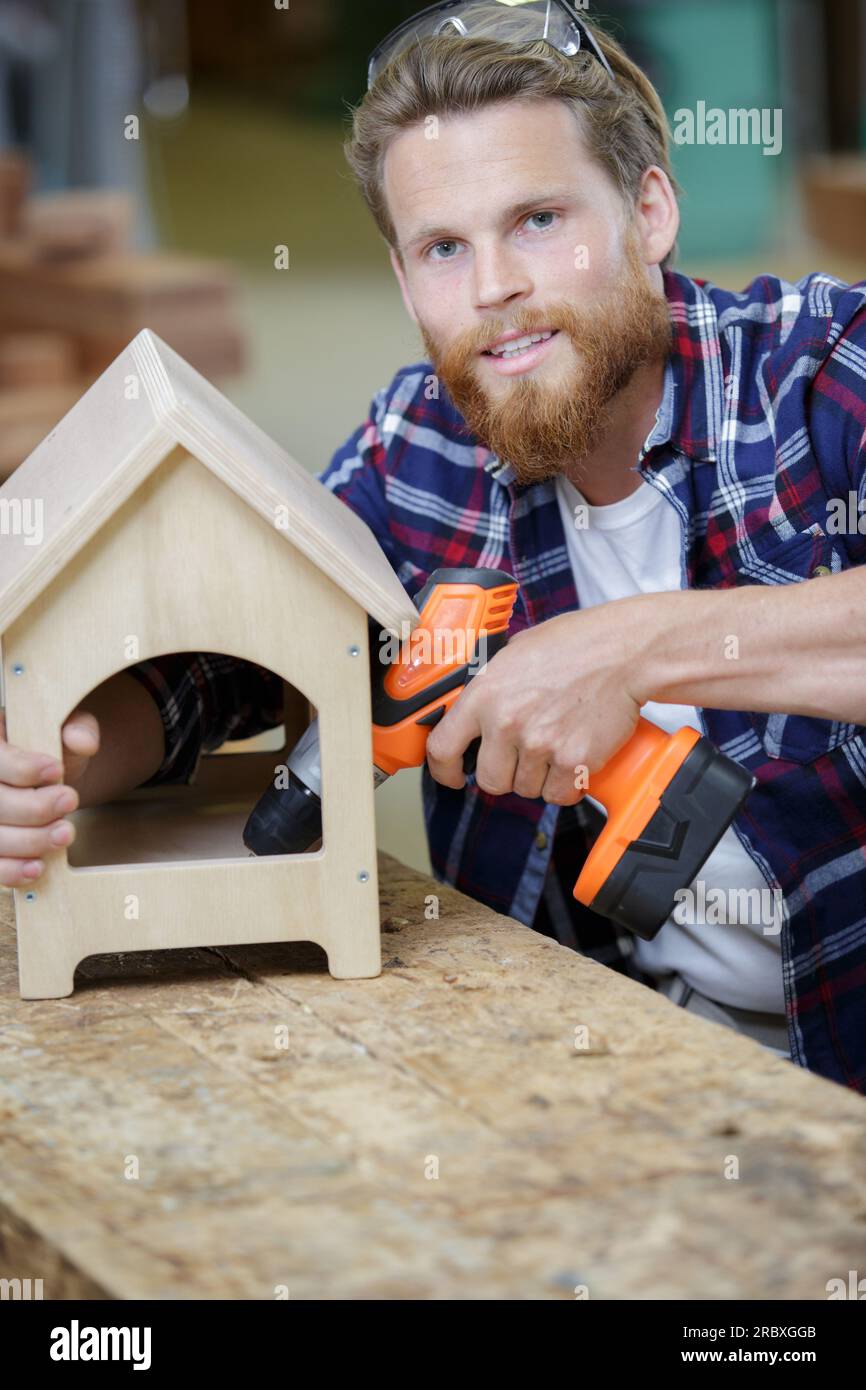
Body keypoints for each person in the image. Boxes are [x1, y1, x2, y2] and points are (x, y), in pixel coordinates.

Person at [1, 3, 865, 1091]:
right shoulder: (415, 444)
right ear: (405, 281)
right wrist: (54, 754)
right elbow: (216, 669)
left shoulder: (821, 367)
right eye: (443, 247)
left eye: (539, 220)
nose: (493, 287)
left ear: (648, 212)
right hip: (641, 1071)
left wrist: (629, 650)